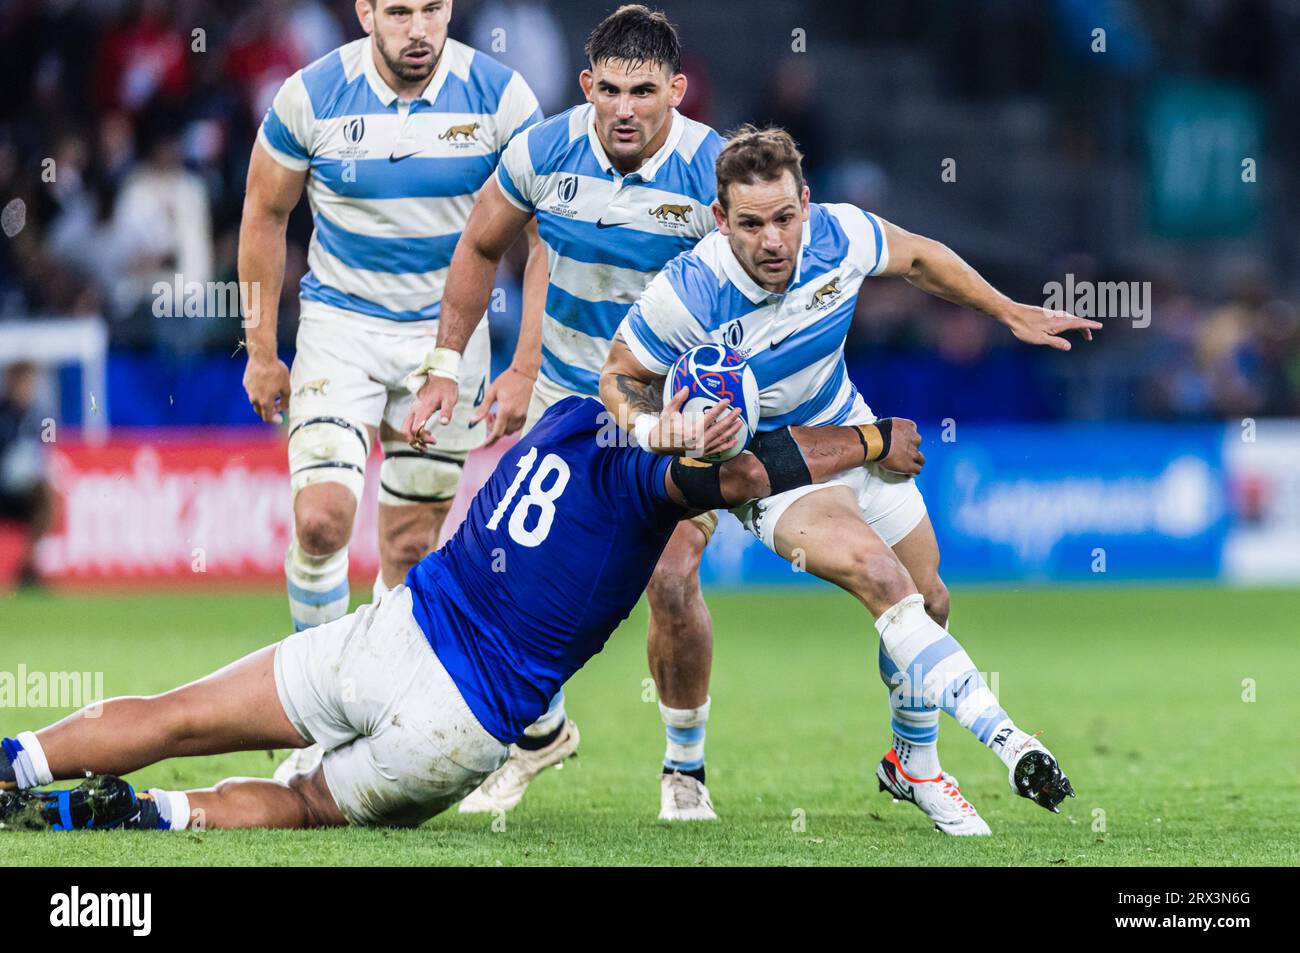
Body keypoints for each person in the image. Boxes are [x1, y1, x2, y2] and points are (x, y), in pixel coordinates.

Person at [0, 395, 925, 831]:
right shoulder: (664, 490)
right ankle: (142, 820)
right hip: (462, 723)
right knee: (301, 802)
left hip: (392, 633)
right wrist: (874, 439)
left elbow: (652, 429)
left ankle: (19, 760)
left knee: (177, 713)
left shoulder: (567, 415)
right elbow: (747, 472)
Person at [602, 127, 1091, 834]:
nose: (771, 240)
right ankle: (1010, 742)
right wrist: (657, 430)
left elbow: (921, 258)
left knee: (931, 599)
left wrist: (1008, 311)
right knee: (880, 576)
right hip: (773, 470)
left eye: (783, 218)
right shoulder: (691, 290)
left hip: (846, 426)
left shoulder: (844, 234)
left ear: (806, 203)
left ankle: (913, 767)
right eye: (749, 224)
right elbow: (617, 374)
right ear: (720, 221)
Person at [405, 5, 729, 819]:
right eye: (610, 90)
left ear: (676, 92)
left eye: (644, 92)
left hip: (673, 409)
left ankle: (683, 767)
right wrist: (456, 365)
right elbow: (485, 244)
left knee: (670, 578)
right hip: (568, 405)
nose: (624, 109)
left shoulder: (715, 174)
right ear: (587, 86)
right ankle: (541, 732)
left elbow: (767, 284)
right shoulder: (547, 150)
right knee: (512, 576)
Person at [237, 0, 545, 780]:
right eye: (400, 10)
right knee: (321, 520)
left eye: (433, 9)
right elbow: (263, 214)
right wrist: (260, 348)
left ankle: (369, 717)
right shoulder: (310, 95)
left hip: (448, 344)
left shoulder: (501, 98)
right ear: (365, 10)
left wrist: (524, 366)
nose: (419, 28)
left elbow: (547, 238)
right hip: (340, 332)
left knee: (410, 549)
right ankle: (308, 729)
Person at [0, 362, 54, 589]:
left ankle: (28, 566)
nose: (25, 389)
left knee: (48, 497)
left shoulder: (42, 417)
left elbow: (47, 449)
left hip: (23, 490)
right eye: (21, 383)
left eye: (30, 383)